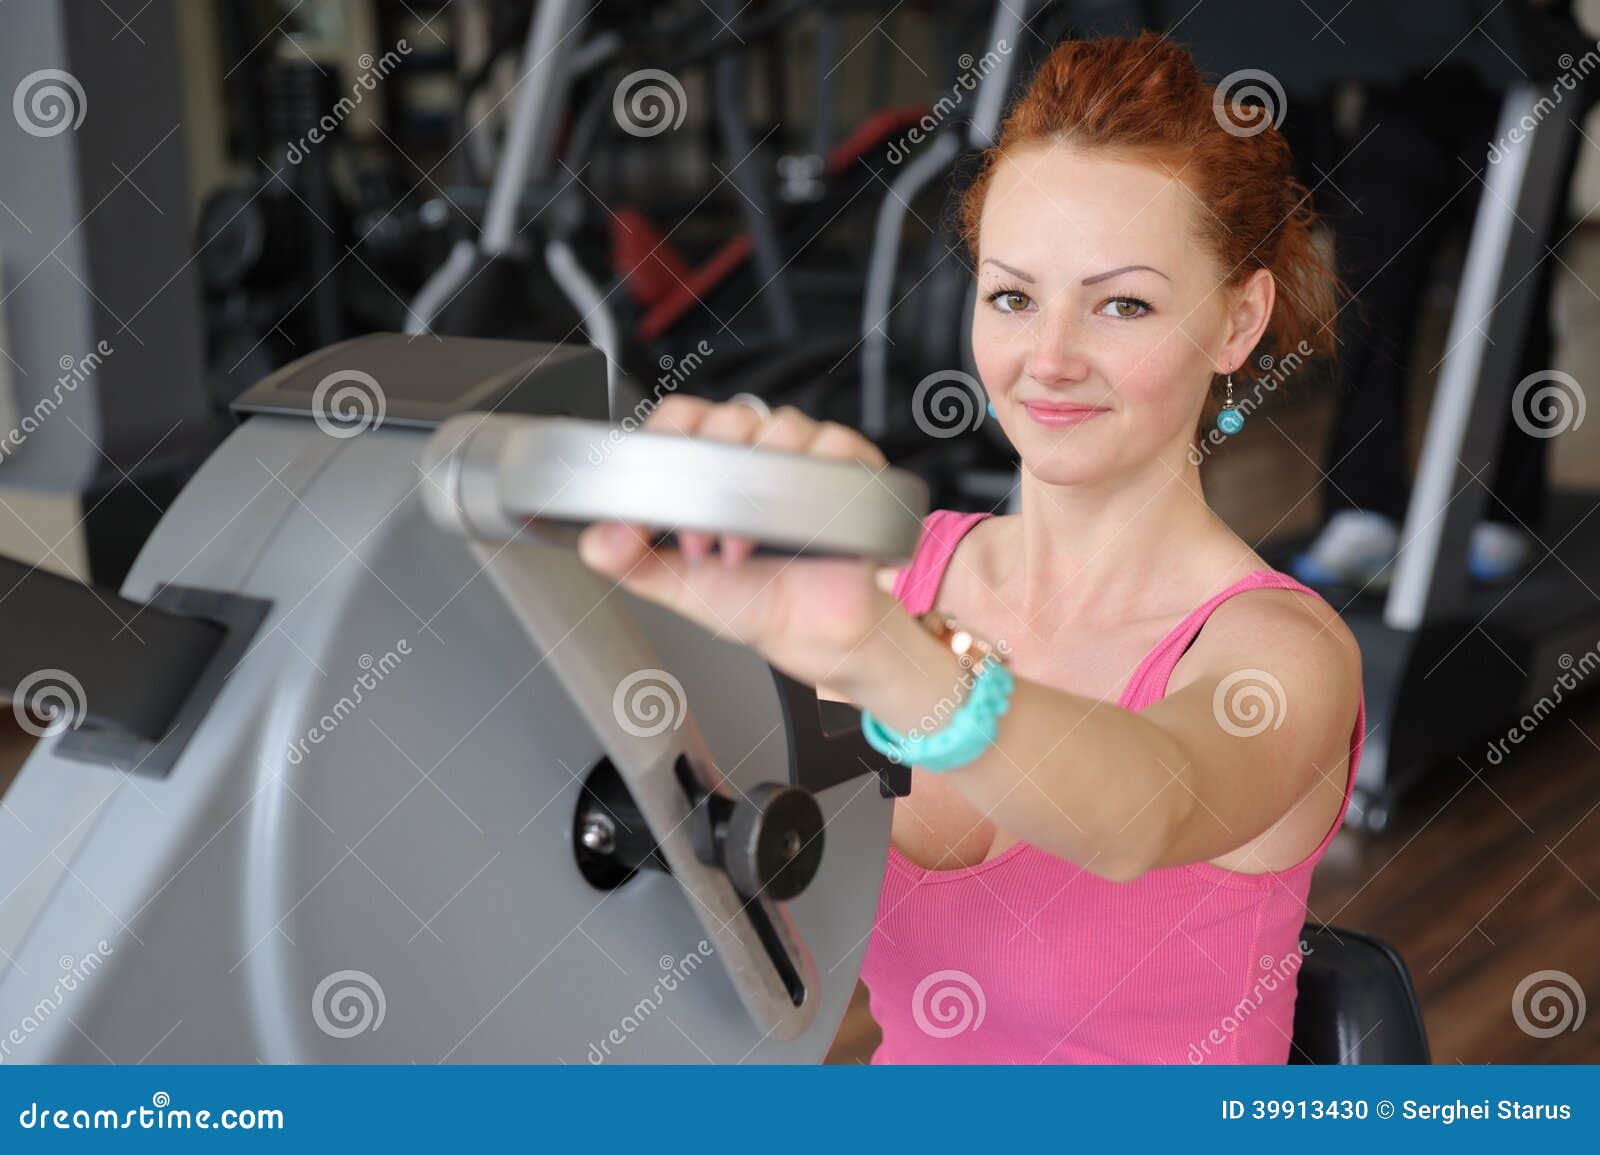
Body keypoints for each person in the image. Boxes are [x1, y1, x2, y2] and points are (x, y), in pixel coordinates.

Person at [576, 33, 1363, 1064]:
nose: (1048, 358)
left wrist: (886, 656)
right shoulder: (900, 577)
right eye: (1012, 296)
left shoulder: (1277, 656)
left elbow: (1146, 809)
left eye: (1121, 303)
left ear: (1236, 322)